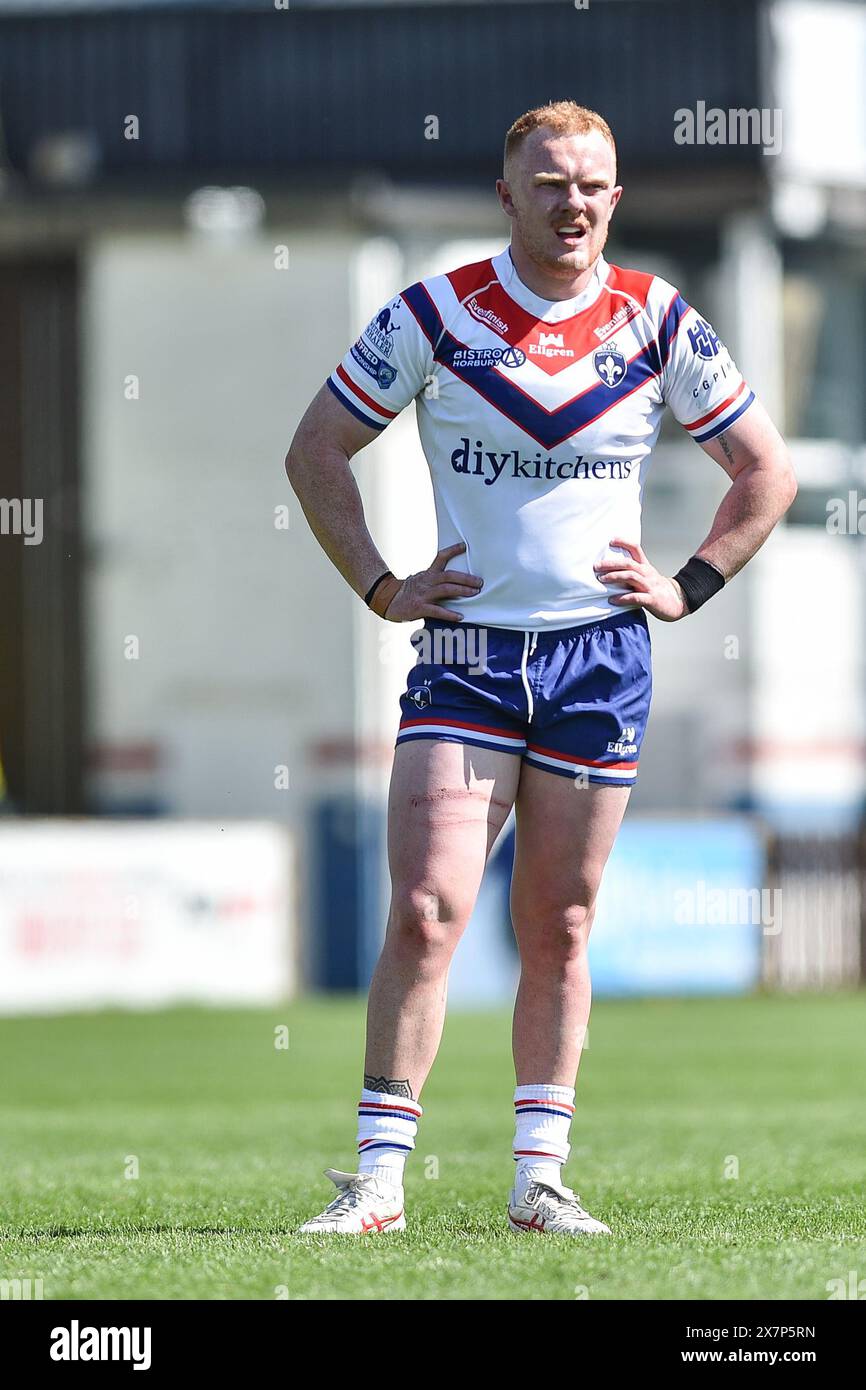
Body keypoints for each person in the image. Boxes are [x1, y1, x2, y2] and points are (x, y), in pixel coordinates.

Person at [285, 100, 797, 1237]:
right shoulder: (434, 313)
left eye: (592, 184)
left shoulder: (657, 319)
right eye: (550, 183)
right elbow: (315, 448)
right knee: (425, 909)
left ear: (615, 197)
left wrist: (687, 584)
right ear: (507, 193)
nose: (573, 203)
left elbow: (763, 473)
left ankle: (537, 1178)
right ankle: (377, 1179)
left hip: (595, 658)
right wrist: (380, 584)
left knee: (559, 923)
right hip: (465, 656)